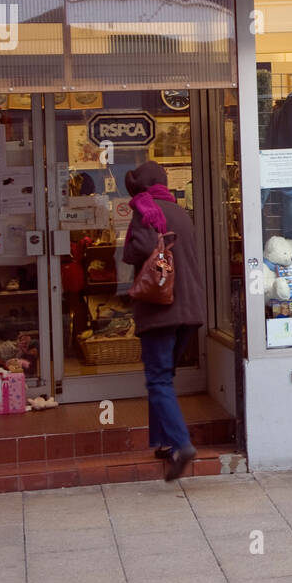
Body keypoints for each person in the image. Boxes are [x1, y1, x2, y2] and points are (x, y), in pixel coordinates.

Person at [122, 161, 206, 481]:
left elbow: (140, 250)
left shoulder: (145, 209)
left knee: (158, 380)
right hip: (189, 310)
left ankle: (181, 444)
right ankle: (162, 442)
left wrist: (128, 247)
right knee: (165, 376)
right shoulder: (181, 212)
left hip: (161, 308)